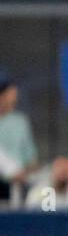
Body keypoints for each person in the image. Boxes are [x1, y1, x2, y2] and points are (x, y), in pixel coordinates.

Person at [0, 77, 38, 207]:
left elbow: (31, 157)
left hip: (17, 185)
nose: (13, 100)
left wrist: (25, 174)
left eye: (15, 96)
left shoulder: (20, 122)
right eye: (10, 96)